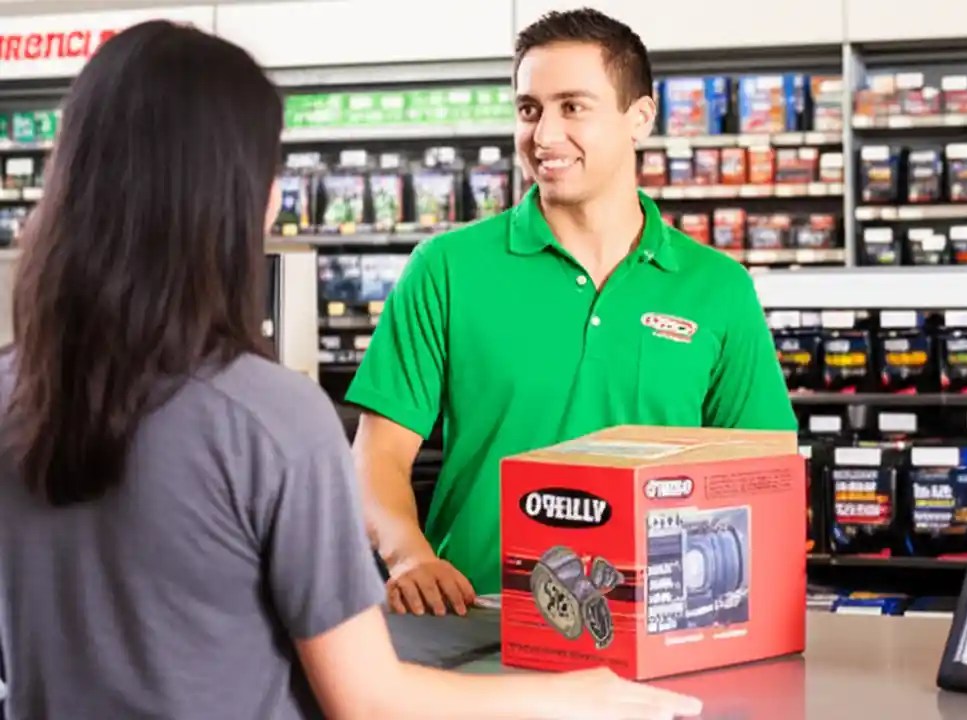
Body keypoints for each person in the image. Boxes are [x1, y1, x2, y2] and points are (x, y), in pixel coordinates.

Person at [0, 20, 701, 720]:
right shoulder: (271, 420)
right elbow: (368, 699)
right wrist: (579, 698)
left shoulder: (14, 393)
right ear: (243, 192)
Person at [347, 6, 796, 618]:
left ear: (639, 117)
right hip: (479, 623)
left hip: (660, 626)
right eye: (529, 108)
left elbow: (763, 475)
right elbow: (378, 454)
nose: (544, 135)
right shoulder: (447, 268)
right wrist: (407, 556)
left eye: (572, 107)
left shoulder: (718, 289)